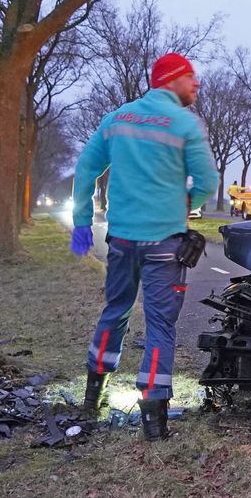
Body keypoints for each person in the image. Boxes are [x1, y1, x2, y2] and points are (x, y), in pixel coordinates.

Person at [69, 52, 218, 441]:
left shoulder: (119, 118)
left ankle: (93, 395)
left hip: (120, 239)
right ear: (171, 80)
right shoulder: (185, 124)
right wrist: (187, 203)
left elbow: (86, 166)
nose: (195, 85)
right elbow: (206, 182)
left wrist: (82, 222)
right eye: (190, 78)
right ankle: (154, 419)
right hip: (165, 244)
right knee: (160, 326)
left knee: (115, 310)